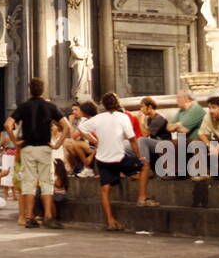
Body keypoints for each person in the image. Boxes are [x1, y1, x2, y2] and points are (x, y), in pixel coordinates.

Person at [81, 93, 152, 231]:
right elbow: (132, 140)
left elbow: (81, 129)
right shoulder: (123, 117)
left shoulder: (98, 118)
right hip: (119, 158)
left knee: (105, 190)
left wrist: (94, 141)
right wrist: (139, 156)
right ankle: (142, 197)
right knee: (145, 165)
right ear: (117, 103)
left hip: (102, 159)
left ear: (103, 105)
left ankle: (110, 221)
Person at [12, 77, 70, 229]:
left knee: (29, 183)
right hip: (45, 148)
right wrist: (57, 144)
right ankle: (49, 217)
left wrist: (15, 141)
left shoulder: (24, 106)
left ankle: (29, 217)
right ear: (43, 89)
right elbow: (67, 127)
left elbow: (7, 124)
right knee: (46, 183)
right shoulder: (50, 106)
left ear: (30, 89)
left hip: (27, 148)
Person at [137, 97, 172, 178]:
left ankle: (146, 168)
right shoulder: (150, 119)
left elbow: (145, 134)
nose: (141, 109)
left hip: (164, 144)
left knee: (142, 140)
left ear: (149, 107)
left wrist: (140, 121)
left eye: (142, 106)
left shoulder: (159, 118)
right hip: (157, 143)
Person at [64, 101, 99, 178]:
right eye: (73, 110)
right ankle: (78, 168)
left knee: (75, 143)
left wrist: (70, 121)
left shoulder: (88, 120)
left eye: (76, 110)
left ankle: (88, 168)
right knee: (68, 143)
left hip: (97, 147)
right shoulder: (83, 119)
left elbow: (73, 135)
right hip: (93, 145)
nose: (74, 112)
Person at [0, 116, 19, 201]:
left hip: (15, 154)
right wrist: (6, 140)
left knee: (14, 174)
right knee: (6, 173)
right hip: (7, 154)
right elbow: (1, 144)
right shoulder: (3, 133)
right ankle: (6, 194)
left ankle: (14, 194)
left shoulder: (16, 132)